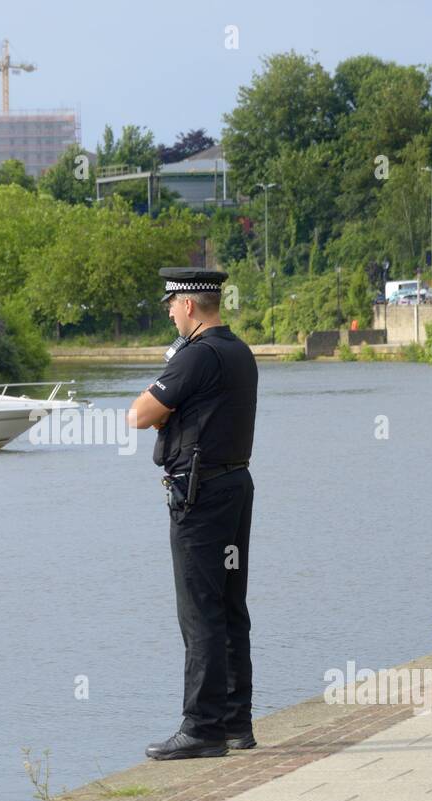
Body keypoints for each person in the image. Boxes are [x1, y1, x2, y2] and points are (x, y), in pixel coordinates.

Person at [127, 267, 259, 761]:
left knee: (199, 610)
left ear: (188, 305)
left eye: (171, 304)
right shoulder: (240, 351)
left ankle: (201, 727)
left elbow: (138, 415)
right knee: (229, 606)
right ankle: (235, 722)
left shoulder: (195, 358)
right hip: (235, 488)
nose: (167, 311)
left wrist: (165, 388)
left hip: (197, 497)